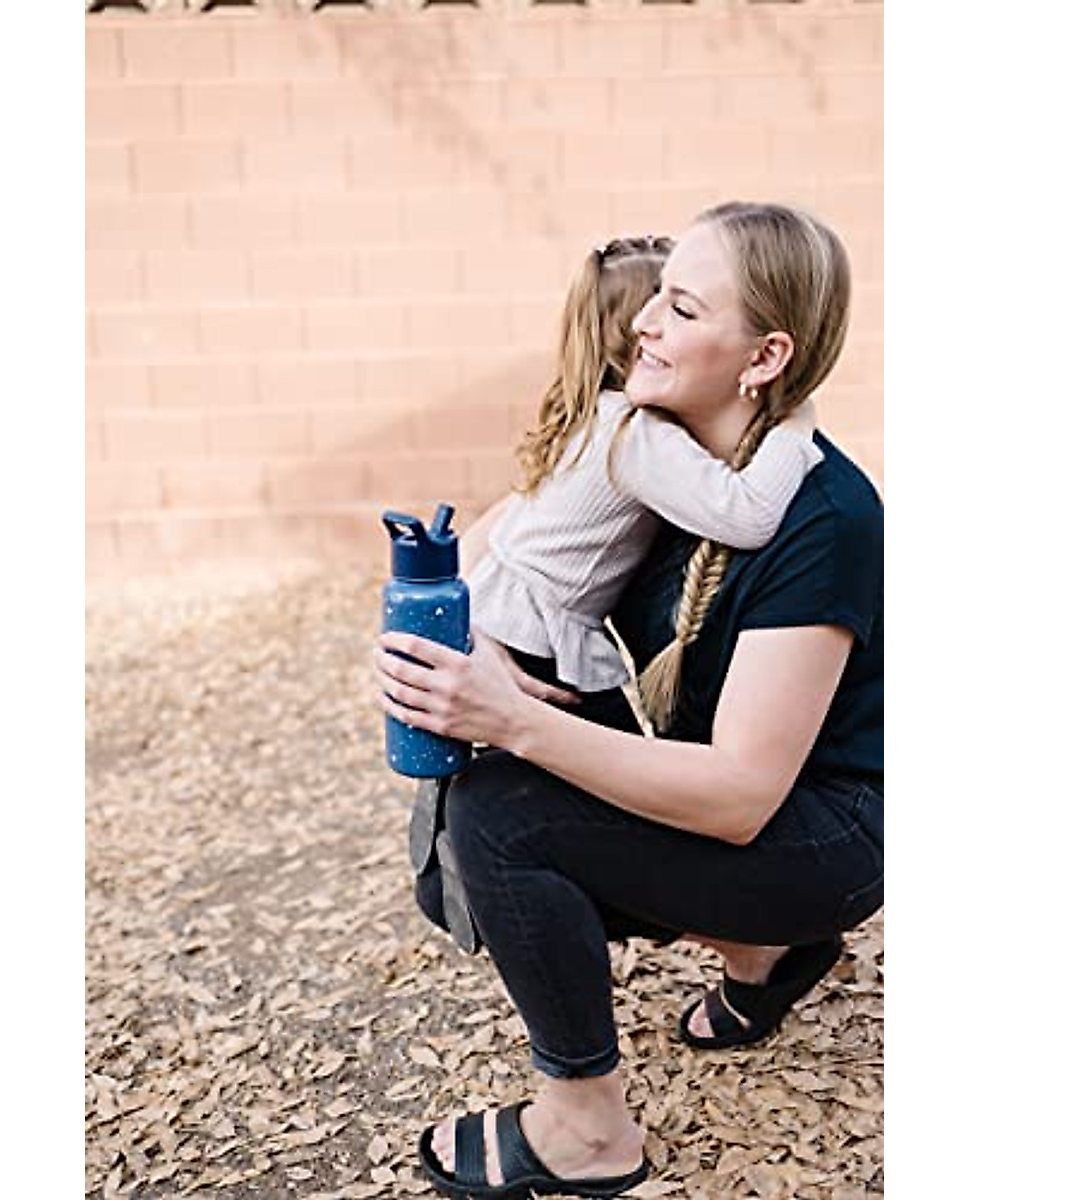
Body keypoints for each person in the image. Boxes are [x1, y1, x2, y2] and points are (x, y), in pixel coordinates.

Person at [374, 201, 883, 1199]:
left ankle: (586, 1130)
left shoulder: (822, 520)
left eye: (682, 308)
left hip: (825, 833)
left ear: (765, 357)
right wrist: (448, 642)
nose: (644, 321)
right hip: (739, 809)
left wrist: (515, 718)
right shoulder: (659, 461)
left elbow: (741, 794)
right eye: (657, 296)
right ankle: (761, 949)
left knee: (502, 823)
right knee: (462, 856)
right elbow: (511, 534)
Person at [410, 234, 823, 955]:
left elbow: (503, 528)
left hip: (508, 621)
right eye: (667, 307)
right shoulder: (636, 435)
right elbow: (746, 515)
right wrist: (797, 424)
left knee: (584, 817)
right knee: (634, 822)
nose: (665, 323)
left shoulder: (586, 416)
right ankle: (754, 942)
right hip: (546, 646)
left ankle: (747, 948)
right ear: (636, 336)